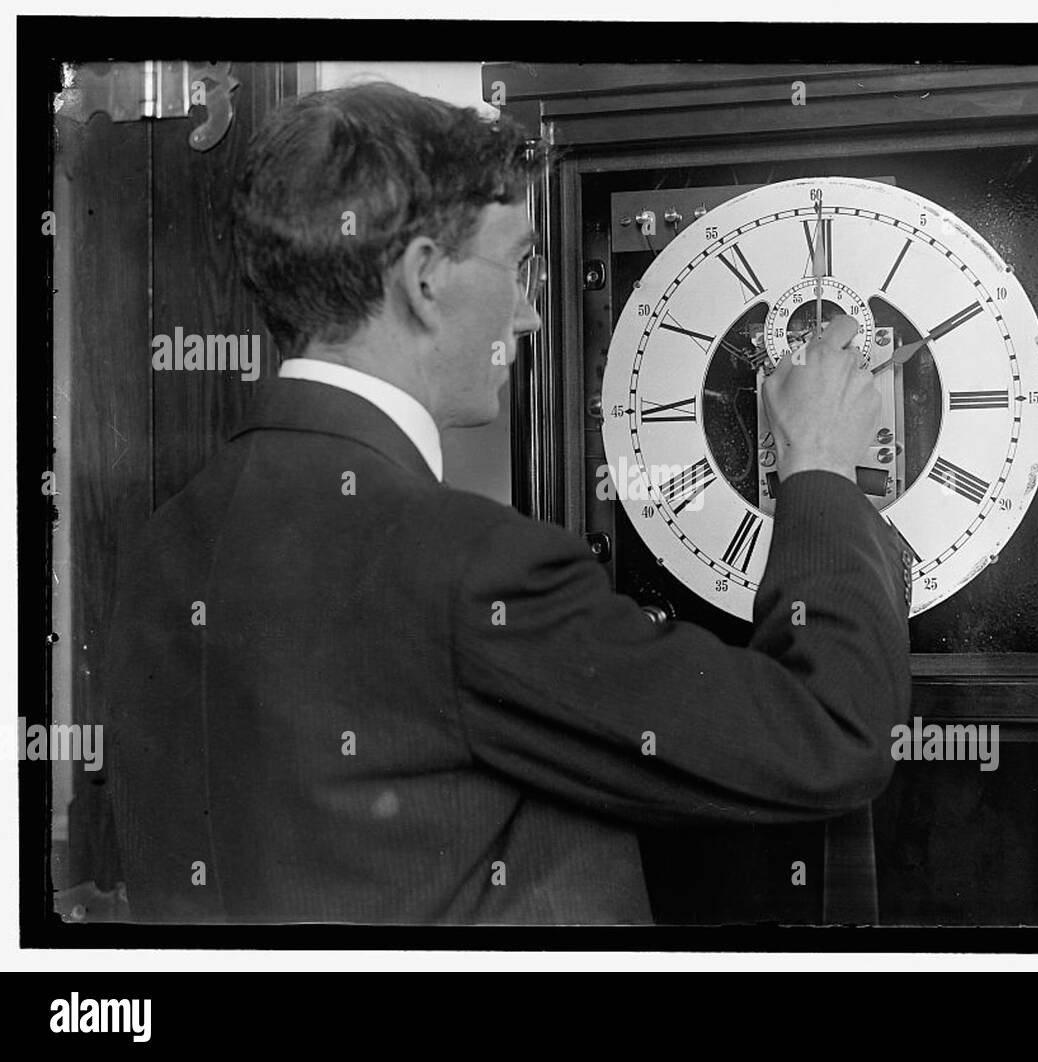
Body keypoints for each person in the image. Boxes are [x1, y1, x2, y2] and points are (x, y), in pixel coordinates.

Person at [104, 82, 912, 924]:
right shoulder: (468, 572)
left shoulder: (170, 542)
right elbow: (833, 738)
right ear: (423, 279)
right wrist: (817, 463)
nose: (529, 314)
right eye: (519, 263)